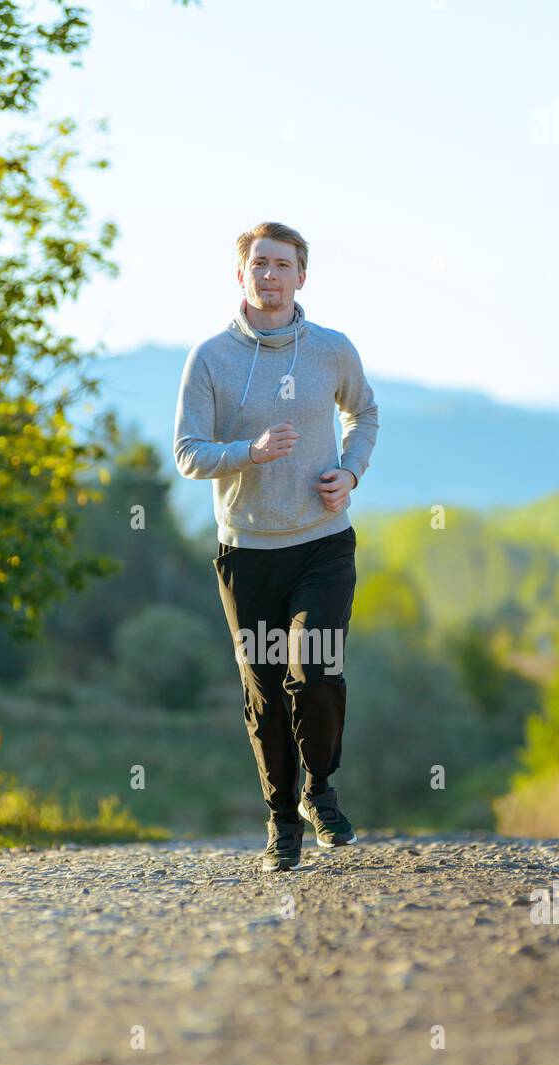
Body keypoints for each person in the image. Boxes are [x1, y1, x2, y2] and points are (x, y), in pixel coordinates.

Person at [174, 221, 379, 870]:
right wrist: (249, 454)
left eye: (281, 264)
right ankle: (280, 822)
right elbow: (187, 453)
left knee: (314, 673)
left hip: (321, 545)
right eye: (257, 263)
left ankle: (319, 788)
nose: (268, 274)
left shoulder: (330, 350)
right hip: (247, 554)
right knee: (264, 691)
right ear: (241, 275)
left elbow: (364, 414)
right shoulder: (210, 358)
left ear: (300, 277)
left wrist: (350, 472)